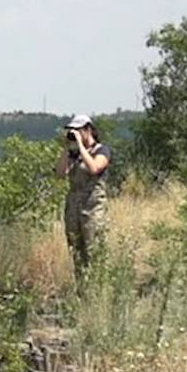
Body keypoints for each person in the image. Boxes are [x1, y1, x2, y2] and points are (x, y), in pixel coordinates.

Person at [56, 114, 110, 279]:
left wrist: (81, 146)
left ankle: (98, 287)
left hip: (93, 207)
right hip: (74, 208)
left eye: (78, 130)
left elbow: (94, 168)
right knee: (76, 251)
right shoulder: (73, 154)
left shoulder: (102, 150)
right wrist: (68, 148)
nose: (75, 134)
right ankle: (82, 289)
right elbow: (59, 174)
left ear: (88, 130)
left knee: (93, 249)